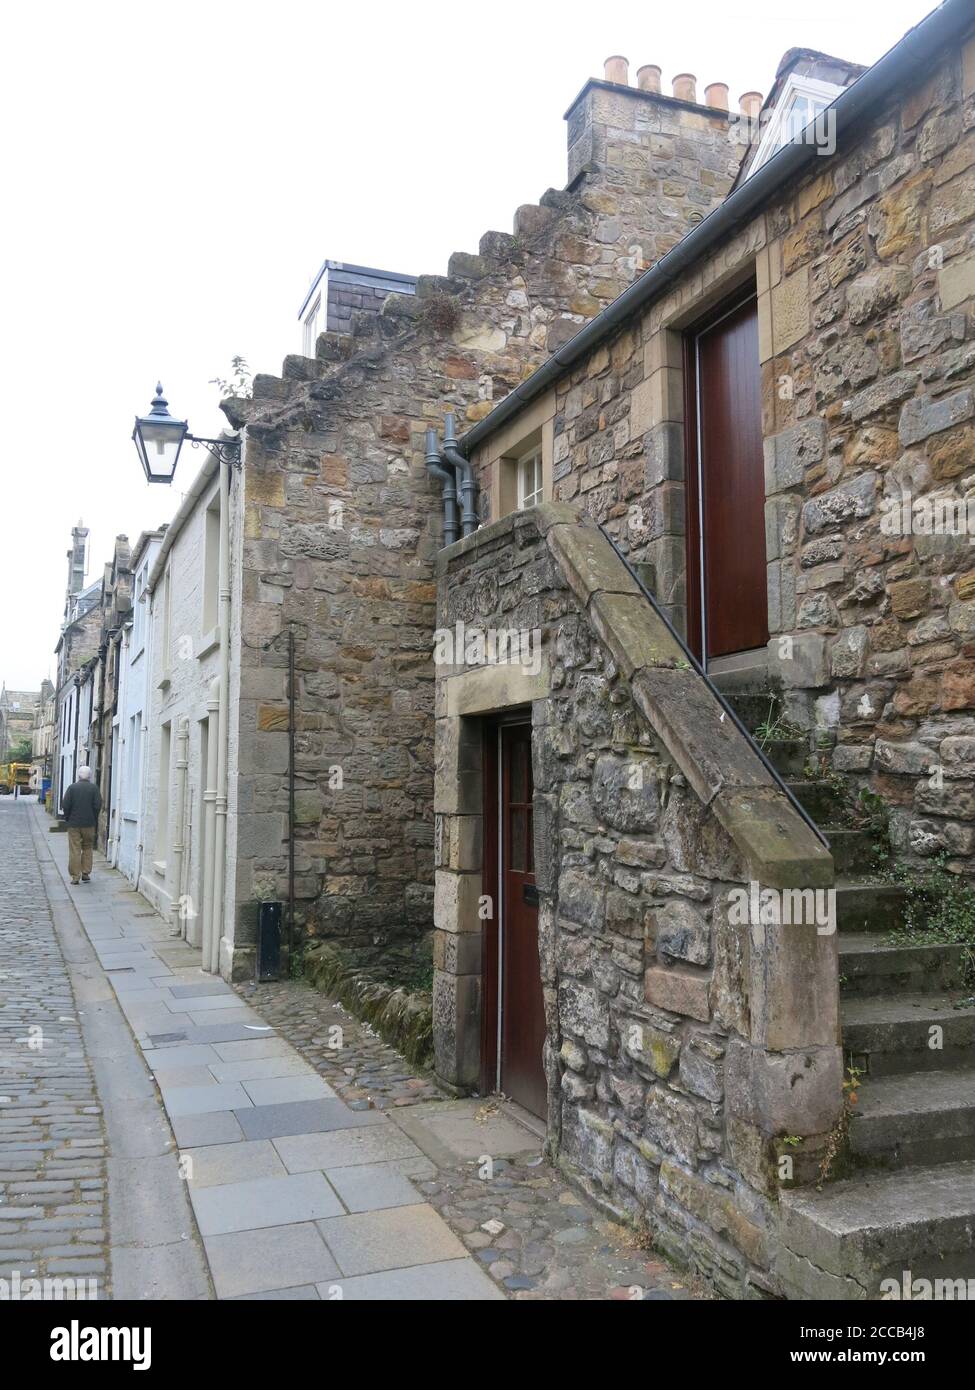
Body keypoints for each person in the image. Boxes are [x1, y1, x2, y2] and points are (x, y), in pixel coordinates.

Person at [61, 766, 101, 885]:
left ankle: (75, 876)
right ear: (89, 776)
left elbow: (66, 805)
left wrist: (68, 818)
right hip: (89, 824)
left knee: (75, 849)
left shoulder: (72, 788)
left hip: (74, 824)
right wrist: (93, 818)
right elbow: (98, 805)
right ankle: (86, 873)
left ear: (78, 775)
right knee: (88, 847)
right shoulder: (94, 788)